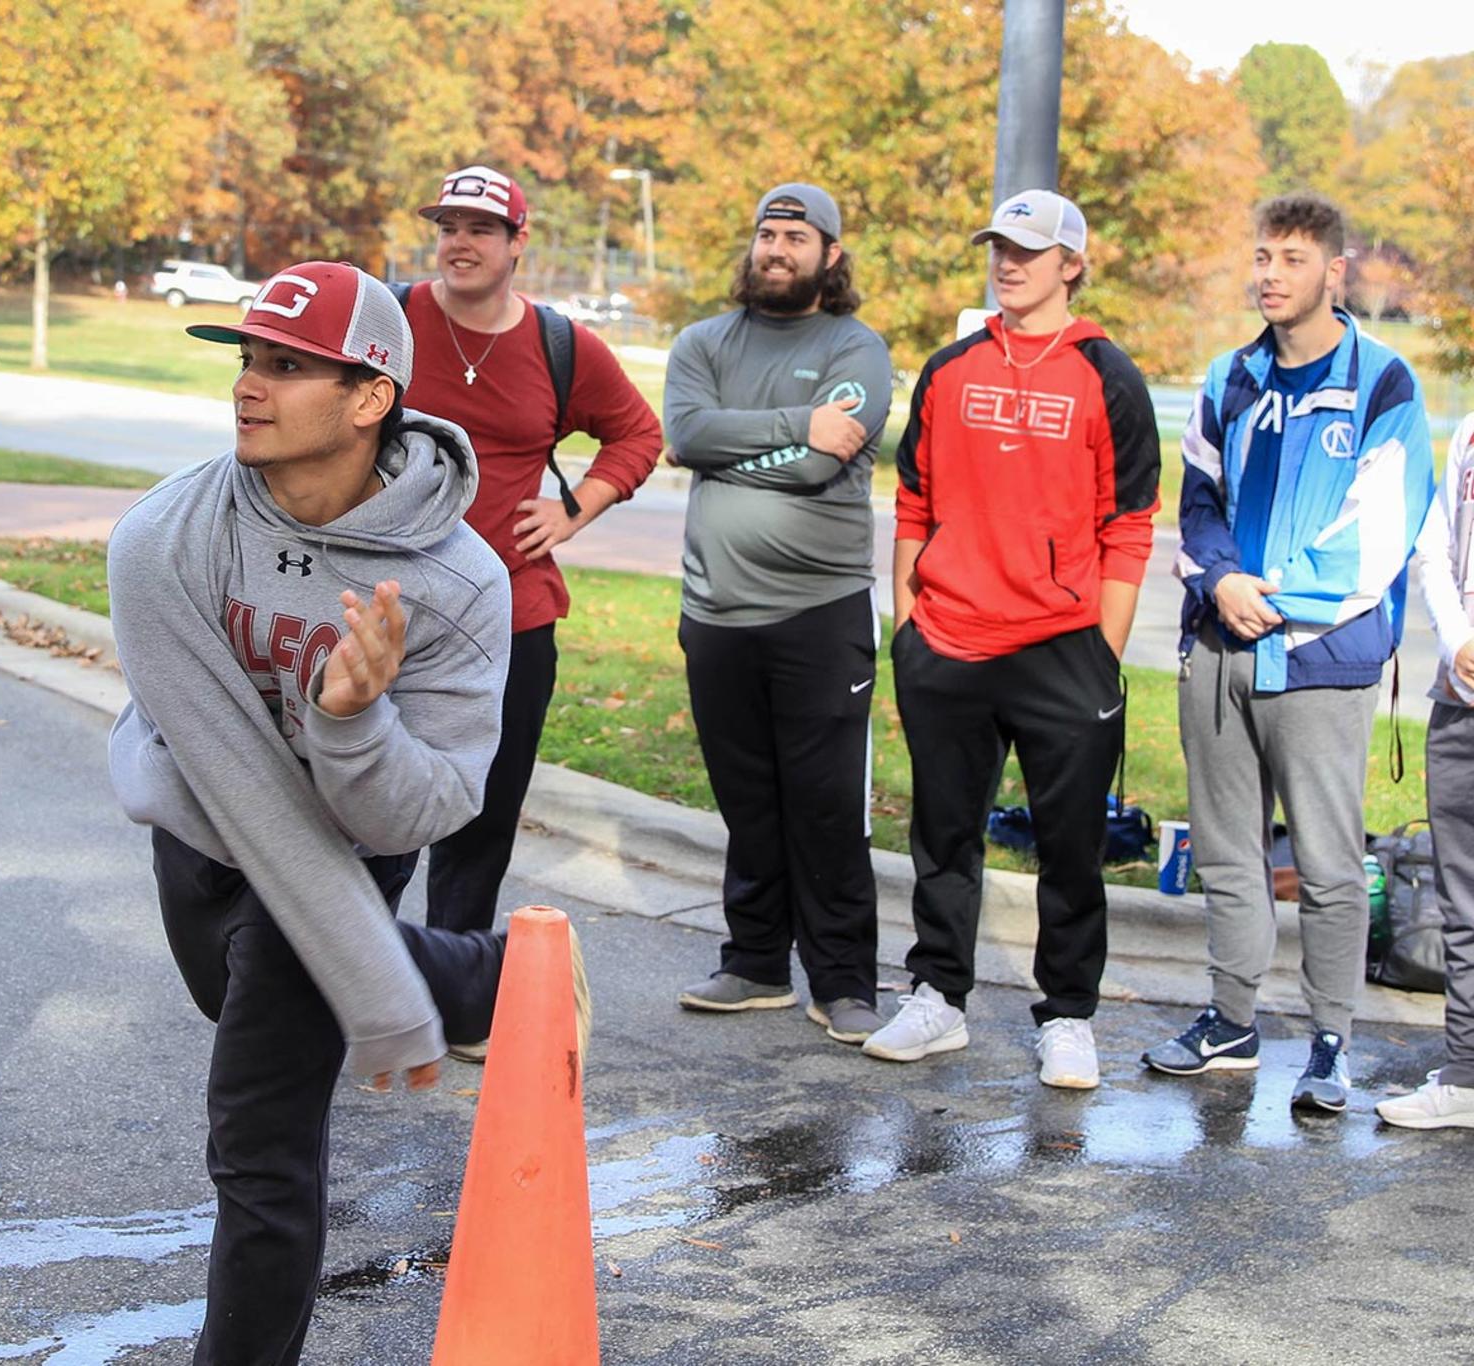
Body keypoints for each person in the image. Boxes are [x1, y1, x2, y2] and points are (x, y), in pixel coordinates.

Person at [106, 260, 590, 1366]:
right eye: (245, 359)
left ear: (371, 395)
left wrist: (352, 722)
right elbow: (212, 758)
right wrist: (370, 974)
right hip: (200, 828)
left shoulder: (458, 583)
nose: (248, 385)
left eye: (285, 365)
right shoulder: (162, 539)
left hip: (340, 848)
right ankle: (487, 972)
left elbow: (429, 803)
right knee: (237, 999)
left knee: (258, 1139)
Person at [1143, 192, 1436, 1114]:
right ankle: (1230, 1023)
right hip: (1218, 645)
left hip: (1321, 659)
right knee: (1229, 855)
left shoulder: (1383, 383)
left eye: (1292, 259)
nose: (1269, 274)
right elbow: (1195, 503)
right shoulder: (1230, 377)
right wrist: (1222, 582)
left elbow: (1380, 534)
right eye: (1262, 256)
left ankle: (1331, 1041)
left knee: (1328, 864)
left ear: (1334, 272)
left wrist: (1273, 601)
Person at [862, 190, 1160, 1090]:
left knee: (1070, 846)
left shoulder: (1109, 375)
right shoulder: (951, 368)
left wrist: (1100, 651)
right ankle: (938, 996)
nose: (1009, 261)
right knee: (943, 835)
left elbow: (1131, 524)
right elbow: (913, 501)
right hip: (947, 641)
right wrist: (909, 626)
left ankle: (1068, 1015)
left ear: (1072, 263)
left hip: (1061, 650)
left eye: (1029, 250)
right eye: (999, 246)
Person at [398, 167, 662, 1047]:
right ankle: (355, 982)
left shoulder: (560, 344)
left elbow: (639, 432)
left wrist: (575, 506)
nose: (460, 242)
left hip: (511, 619)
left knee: (481, 812)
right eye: (448, 225)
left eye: (482, 228)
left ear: (518, 243)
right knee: (370, 806)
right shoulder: (391, 317)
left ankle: (456, 994)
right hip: (388, 610)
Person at [662, 182, 892, 1043]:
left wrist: (726, 449)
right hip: (716, 612)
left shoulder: (856, 347)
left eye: (796, 237)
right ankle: (755, 963)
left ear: (830, 256)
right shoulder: (701, 341)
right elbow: (683, 431)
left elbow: (810, 470)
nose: (777, 249)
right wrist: (797, 424)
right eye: (767, 233)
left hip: (820, 612)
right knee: (748, 800)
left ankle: (844, 981)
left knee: (827, 803)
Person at [1378, 412, 1474, 1128]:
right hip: (1461, 702)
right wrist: (1459, 640)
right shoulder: (1470, 431)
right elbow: (1435, 550)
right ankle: (1467, 1076)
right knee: (1463, 905)